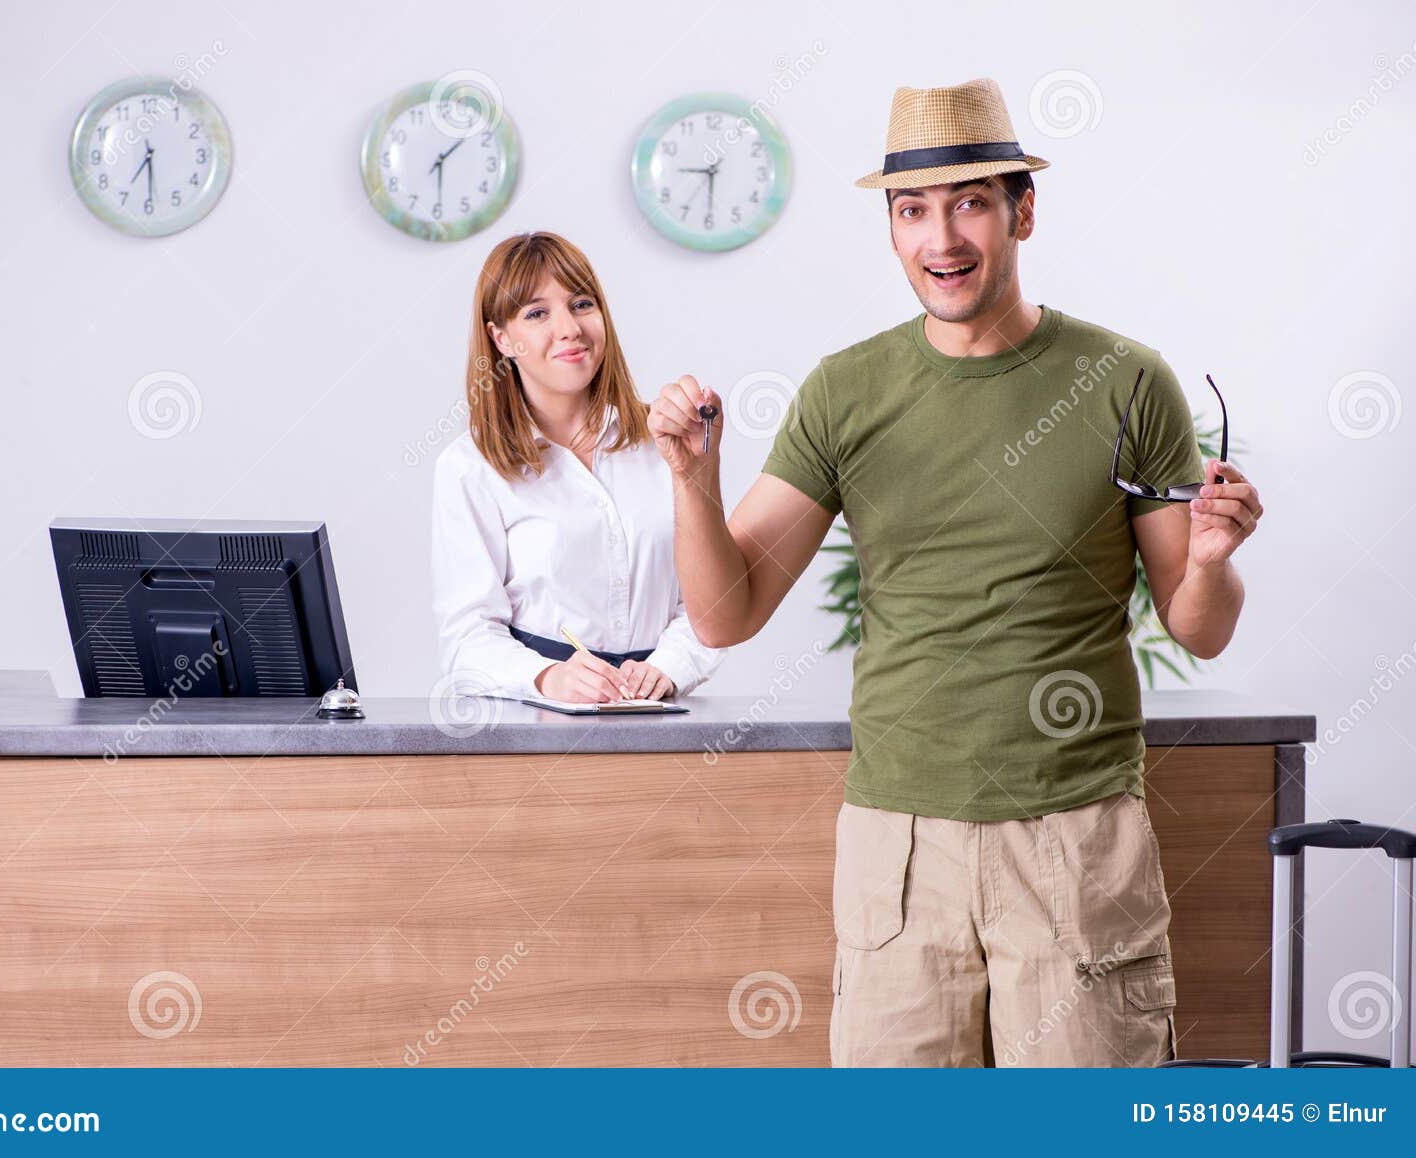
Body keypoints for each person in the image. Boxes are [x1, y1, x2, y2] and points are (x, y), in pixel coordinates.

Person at [647, 78, 1264, 1066]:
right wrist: (690, 479)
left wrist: (1214, 558)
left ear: (1023, 210)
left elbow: (1199, 624)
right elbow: (724, 616)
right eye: (912, 209)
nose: (942, 239)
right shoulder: (845, 392)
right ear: (891, 229)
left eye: (970, 201)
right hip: (899, 845)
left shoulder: (1124, 382)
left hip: (1074, 839)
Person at [432, 231, 725, 703]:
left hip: (657, 714)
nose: (569, 328)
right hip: (536, 720)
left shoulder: (666, 442)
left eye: (582, 304)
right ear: (501, 338)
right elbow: (466, 634)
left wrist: (668, 667)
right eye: (536, 313)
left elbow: (711, 597)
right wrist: (549, 678)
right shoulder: (469, 467)